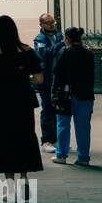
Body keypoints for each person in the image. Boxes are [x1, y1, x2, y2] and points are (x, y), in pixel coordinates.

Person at [0, 15, 44, 189]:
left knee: (2, 138)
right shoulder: (27, 50)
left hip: (0, 101)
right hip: (22, 99)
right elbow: (39, 79)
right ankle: (24, 176)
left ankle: (9, 183)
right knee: (24, 135)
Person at [51, 26, 96, 166]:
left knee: (63, 124)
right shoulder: (89, 54)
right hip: (86, 94)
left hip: (66, 95)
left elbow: (57, 73)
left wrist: (54, 92)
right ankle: (83, 157)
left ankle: (61, 155)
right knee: (83, 126)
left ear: (68, 38)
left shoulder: (65, 52)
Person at [33, 13, 64, 151]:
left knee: (58, 108)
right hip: (46, 79)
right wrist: (59, 46)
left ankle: (55, 139)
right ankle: (46, 141)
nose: (52, 25)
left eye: (53, 22)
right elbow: (43, 54)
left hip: (58, 77)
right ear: (41, 24)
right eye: (48, 22)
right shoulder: (39, 38)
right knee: (47, 109)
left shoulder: (58, 35)